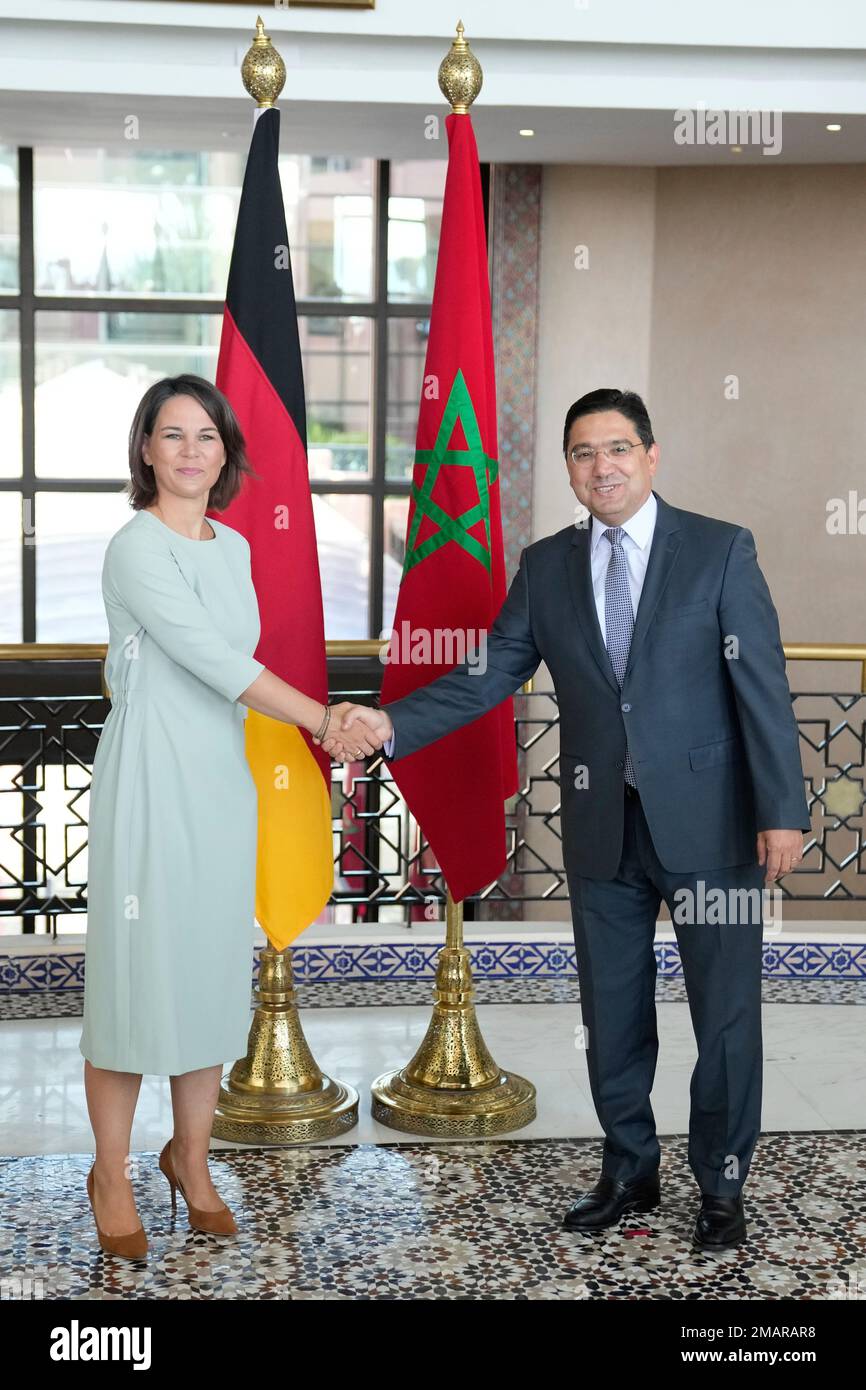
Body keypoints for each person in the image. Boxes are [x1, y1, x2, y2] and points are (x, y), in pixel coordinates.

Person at [330, 387, 810, 1252]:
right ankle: (628, 1168)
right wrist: (390, 723)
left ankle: (722, 1185)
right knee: (613, 1013)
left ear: (652, 456)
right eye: (584, 453)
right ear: (570, 469)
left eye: (619, 448)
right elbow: (486, 675)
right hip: (600, 829)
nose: (604, 466)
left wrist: (782, 810)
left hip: (715, 828)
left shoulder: (719, 550)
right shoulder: (547, 565)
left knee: (727, 1019)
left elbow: (763, 690)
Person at [81, 373, 377, 1260]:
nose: (189, 451)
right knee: (135, 977)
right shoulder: (134, 546)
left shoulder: (237, 545)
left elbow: (235, 663)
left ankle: (192, 1162)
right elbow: (211, 656)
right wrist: (325, 719)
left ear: (225, 452)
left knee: (209, 973)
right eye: (172, 435)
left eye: (206, 436)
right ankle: (109, 1171)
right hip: (147, 774)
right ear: (145, 450)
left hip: (219, 774)